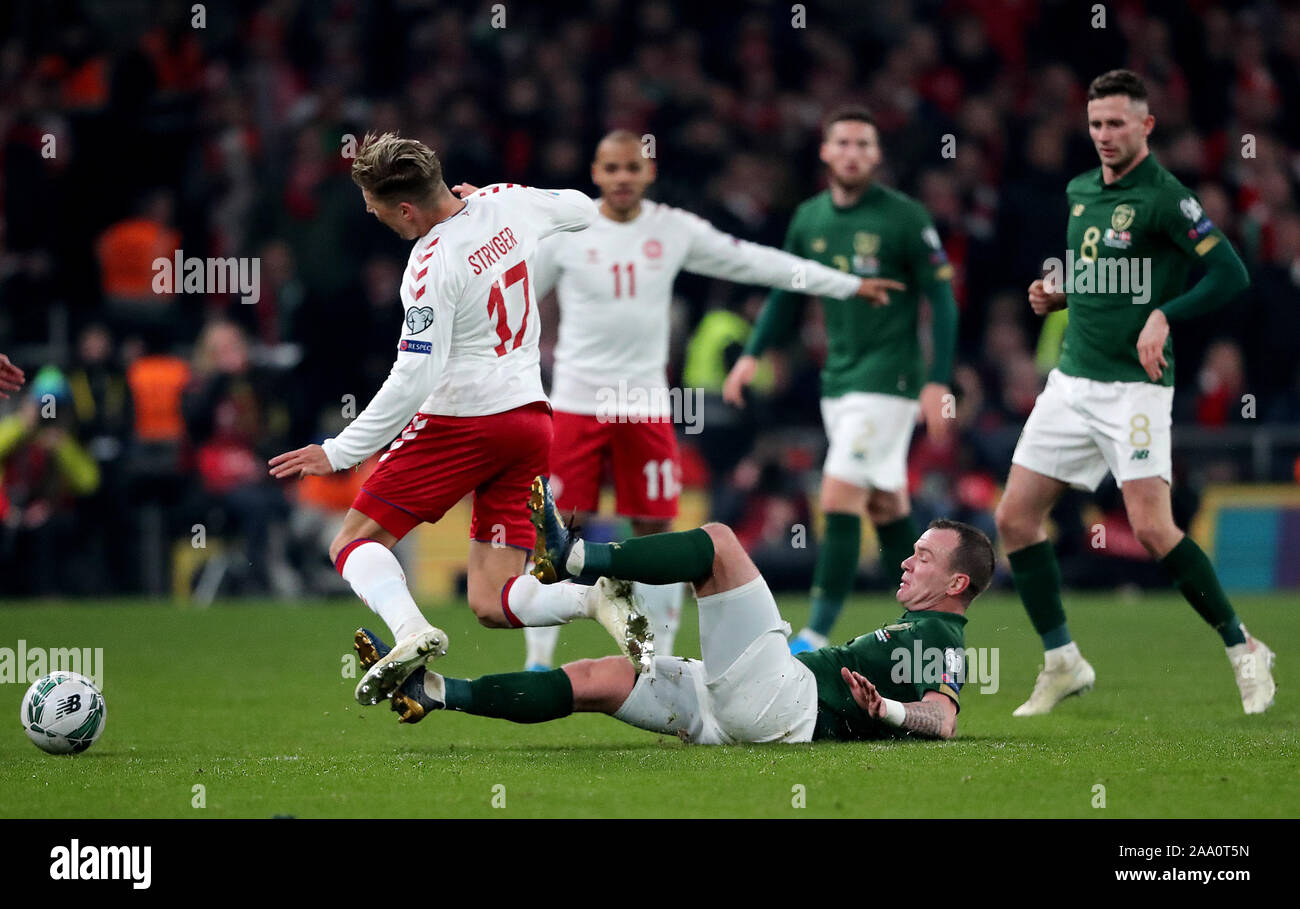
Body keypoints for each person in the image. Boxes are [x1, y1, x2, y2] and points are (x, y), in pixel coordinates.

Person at [458, 130, 906, 670]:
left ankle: (662, 663)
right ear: (597, 175)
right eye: (612, 169)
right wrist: (474, 226)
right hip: (577, 403)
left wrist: (846, 285)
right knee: (557, 529)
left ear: (649, 173)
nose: (623, 178)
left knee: (653, 532)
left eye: (632, 168)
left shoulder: (672, 229)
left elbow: (755, 261)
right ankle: (538, 660)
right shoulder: (569, 230)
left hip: (645, 406)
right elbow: (513, 283)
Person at [268, 133, 649, 707]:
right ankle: (593, 599)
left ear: (405, 208)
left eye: (375, 207)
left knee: (350, 541)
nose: (372, 216)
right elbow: (578, 207)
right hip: (530, 422)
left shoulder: (429, 265)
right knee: (492, 601)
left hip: (465, 421)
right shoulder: (506, 204)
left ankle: (411, 631)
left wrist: (341, 450)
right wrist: (500, 194)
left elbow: (414, 377)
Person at [993, 70, 1275, 716]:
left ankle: (1244, 646)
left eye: (1117, 123)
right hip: (1071, 382)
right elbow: (1101, 272)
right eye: (1095, 124)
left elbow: (1230, 273)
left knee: (1152, 528)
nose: (1104, 135)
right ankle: (1062, 660)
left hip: (1135, 393)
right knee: (1013, 518)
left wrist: (1166, 313)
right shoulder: (1080, 189)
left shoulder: (1168, 198)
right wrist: (1060, 292)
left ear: (1146, 126)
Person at [356, 476, 993, 746]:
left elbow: (944, 718)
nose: (908, 562)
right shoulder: (920, 626)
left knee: (718, 544)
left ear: (957, 580)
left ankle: (578, 560)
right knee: (600, 679)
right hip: (744, 718)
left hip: (784, 702)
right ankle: (436, 691)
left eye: (924, 558)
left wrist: (885, 710)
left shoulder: (939, 630)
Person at [723, 106, 960, 654]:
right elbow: (787, 291)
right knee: (884, 505)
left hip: (890, 381)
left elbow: (941, 299)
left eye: (863, 144)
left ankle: (813, 633)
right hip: (840, 381)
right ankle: (930, 623)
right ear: (826, 152)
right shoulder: (809, 219)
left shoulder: (904, 217)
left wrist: (937, 379)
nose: (852, 153)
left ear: (876, 155)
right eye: (843, 143)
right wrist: (752, 353)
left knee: (838, 494)